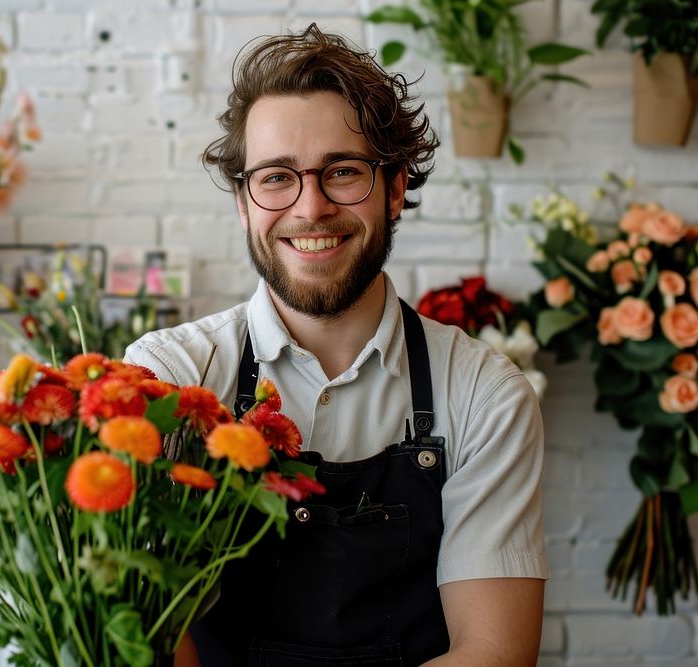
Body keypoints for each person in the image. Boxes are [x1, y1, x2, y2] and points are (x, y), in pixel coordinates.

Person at [124, 23, 549, 667]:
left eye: (343, 172)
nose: (311, 207)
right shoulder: (167, 377)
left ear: (397, 187)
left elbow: (493, 652)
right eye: (275, 178)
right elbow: (149, 637)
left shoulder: (484, 394)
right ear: (243, 200)